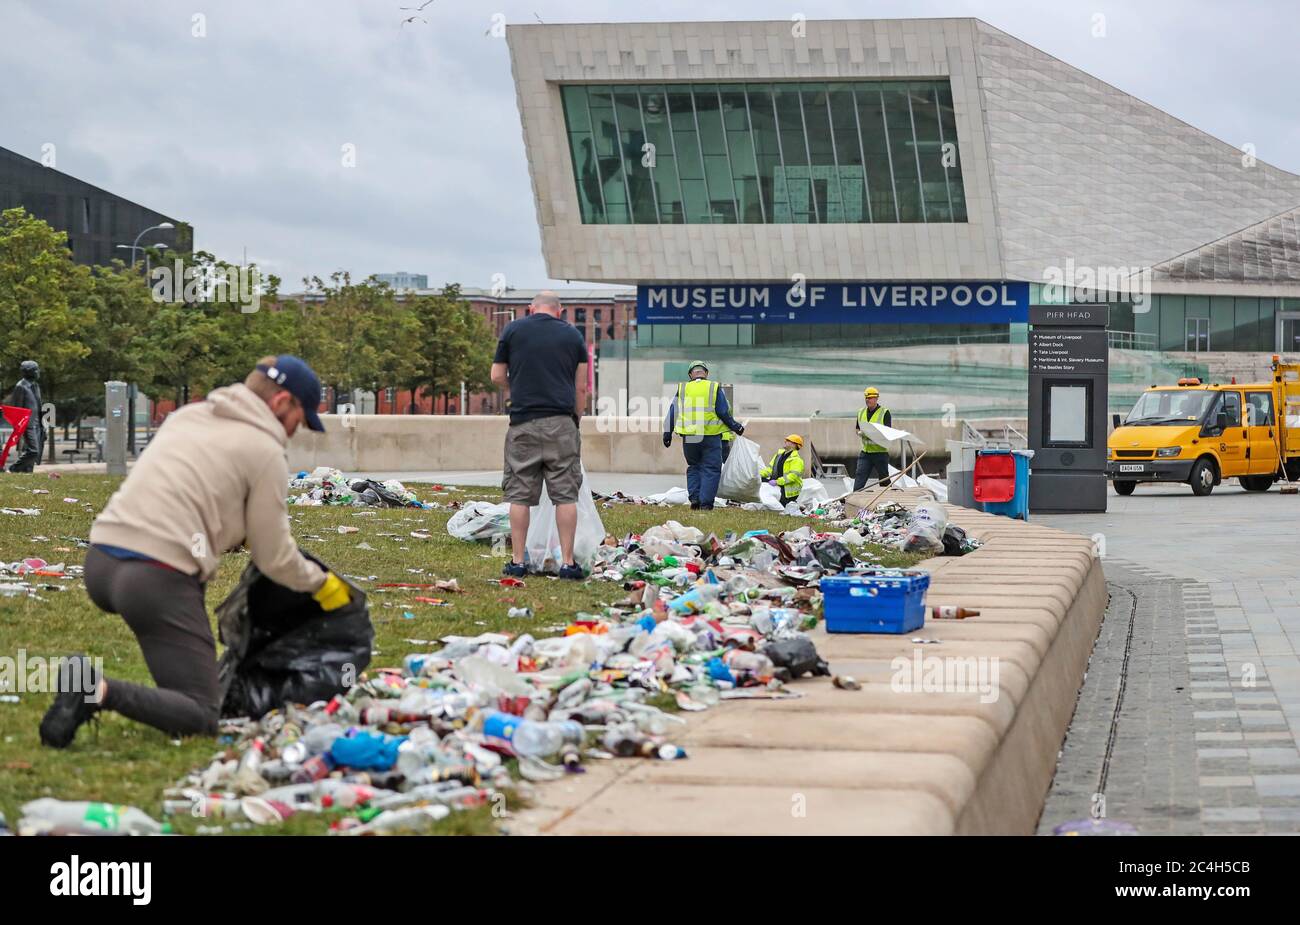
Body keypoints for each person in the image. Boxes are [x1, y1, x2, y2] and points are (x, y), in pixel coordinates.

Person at [39, 356, 349, 748]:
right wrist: (322, 585)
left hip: (102, 559)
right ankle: (94, 690)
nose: (293, 433)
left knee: (182, 671)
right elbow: (274, 558)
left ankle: (153, 682)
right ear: (281, 402)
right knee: (202, 712)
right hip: (153, 577)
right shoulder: (265, 452)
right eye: (298, 420)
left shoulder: (188, 416)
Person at [490, 291, 588, 580]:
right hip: (561, 422)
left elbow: (496, 375)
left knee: (520, 494)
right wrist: (575, 421)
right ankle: (568, 563)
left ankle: (518, 561)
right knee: (565, 495)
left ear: (531, 309)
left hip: (523, 422)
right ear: (561, 311)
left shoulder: (513, 330)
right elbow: (581, 388)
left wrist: (519, 387)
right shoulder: (573, 336)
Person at [662, 360, 743, 510]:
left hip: (691, 436)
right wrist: (736, 426)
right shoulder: (713, 387)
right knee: (711, 469)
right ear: (706, 373)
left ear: (690, 374)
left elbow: (673, 411)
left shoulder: (683, 388)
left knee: (694, 466)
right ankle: (705, 504)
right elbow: (723, 411)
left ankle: (695, 499)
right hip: (710, 436)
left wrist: (667, 433)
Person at [853, 386, 893, 491]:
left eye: (870, 398)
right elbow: (857, 429)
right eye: (866, 397)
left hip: (880, 453)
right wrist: (860, 433)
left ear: (876, 398)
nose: (867, 400)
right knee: (859, 479)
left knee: (884, 480)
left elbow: (887, 431)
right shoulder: (861, 412)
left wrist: (872, 433)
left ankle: (888, 499)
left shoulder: (884, 412)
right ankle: (855, 498)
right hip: (866, 453)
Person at [7, 360, 43, 472]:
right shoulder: (20, 387)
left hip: (37, 423)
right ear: (29, 372)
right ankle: (14, 468)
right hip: (27, 424)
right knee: (33, 451)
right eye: (36, 370)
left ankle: (27, 471)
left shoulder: (35, 386)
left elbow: (38, 405)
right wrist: (18, 427)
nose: (39, 372)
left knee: (36, 451)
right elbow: (16, 409)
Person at [761, 434, 806, 505]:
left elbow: (792, 477)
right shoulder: (778, 455)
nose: (785, 441)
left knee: (774, 503)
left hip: (787, 491)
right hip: (776, 484)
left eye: (788, 440)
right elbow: (769, 469)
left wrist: (777, 482)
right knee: (759, 480)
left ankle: (788, 502)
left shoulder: (797, 460)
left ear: (795, 445)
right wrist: (757, 474)